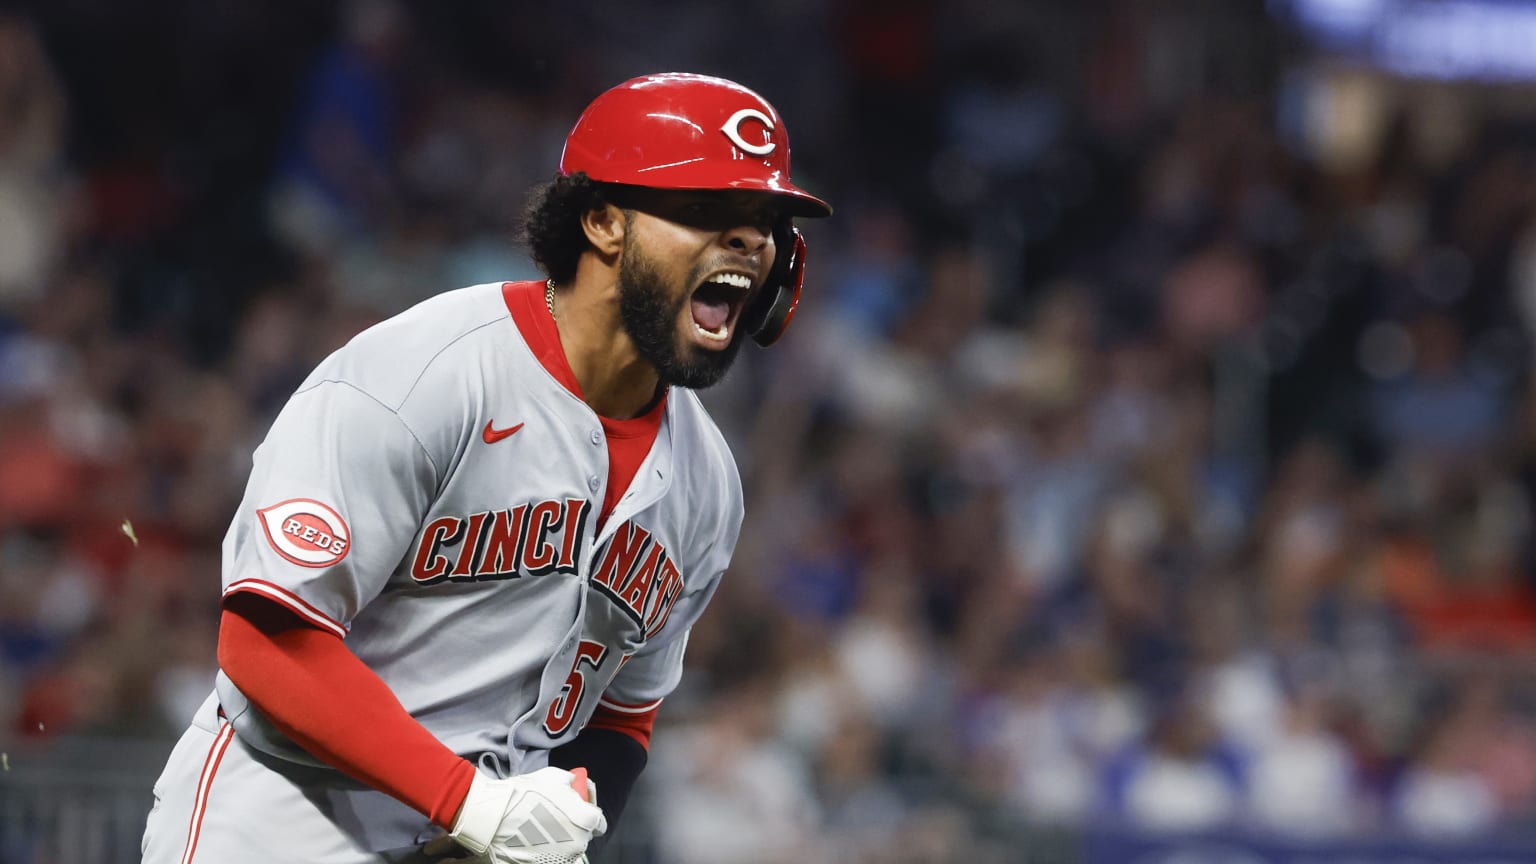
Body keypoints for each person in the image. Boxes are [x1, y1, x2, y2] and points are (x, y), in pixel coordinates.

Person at [140, 72, 832, 864]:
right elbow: (268, 641)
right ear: (603, 221)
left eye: (765, 221)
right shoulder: (424, 373)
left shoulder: (707, 485)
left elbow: (620, 718)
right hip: (283, 824)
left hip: (471, 837)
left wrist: (553, 828)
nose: (750, 242)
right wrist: (468, 802)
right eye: (709, 211)